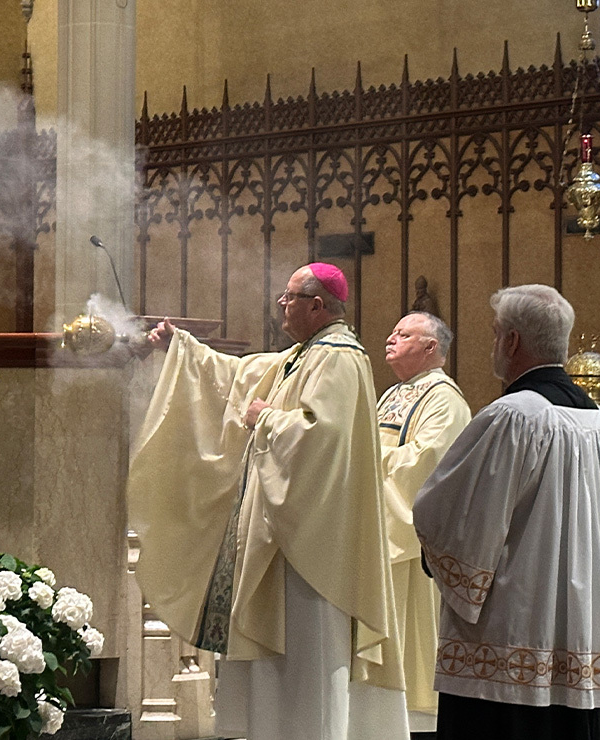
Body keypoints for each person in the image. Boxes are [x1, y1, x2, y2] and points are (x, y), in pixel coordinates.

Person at [128, 263, 409, 740]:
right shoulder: (304, 355)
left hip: (311, 550)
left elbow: (325, 435)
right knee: (279, 669)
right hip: (281, 541)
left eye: (290, 297)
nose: (282, 304)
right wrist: (182, 346)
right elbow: (240, 373)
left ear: (317, 305)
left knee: (307, 662)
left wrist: (266, 419)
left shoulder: (340, 357)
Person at [413, 284, 600, 740]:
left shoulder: (512, 415)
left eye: (495, 334)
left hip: (515, 624)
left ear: (511, 341)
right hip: (584, 622)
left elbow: (454, 513)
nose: (493, 344)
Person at [377, 311, 471, 732]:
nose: (390, 339)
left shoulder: (444, 398)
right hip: (380, 524)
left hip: (412, 538)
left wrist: (361, 459)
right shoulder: (394, 393)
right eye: (393, 332)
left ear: (431, 347)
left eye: (403, 334)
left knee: (411, 631)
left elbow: (428, 462)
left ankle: (417, 719)